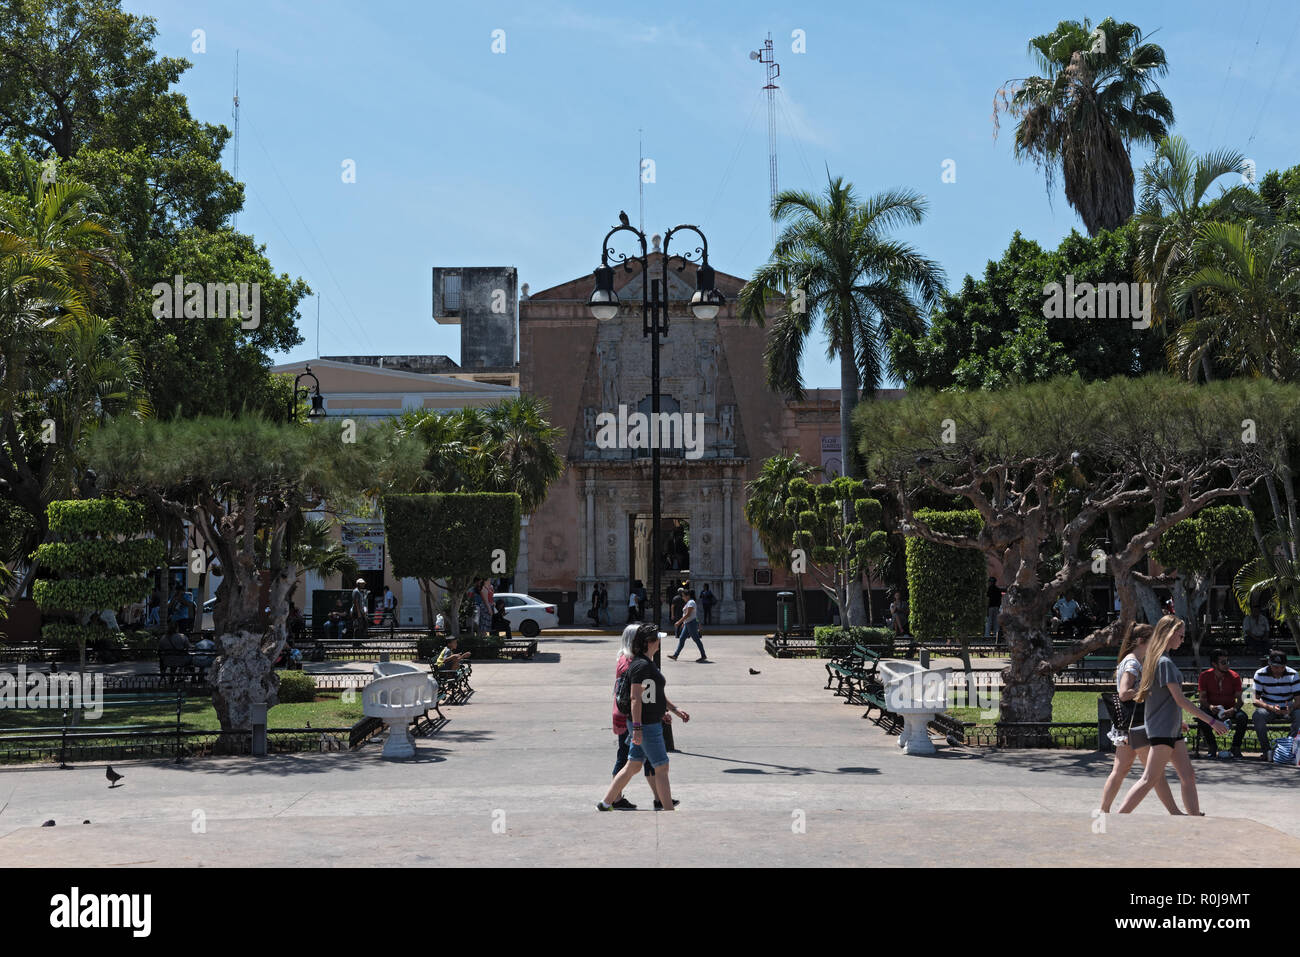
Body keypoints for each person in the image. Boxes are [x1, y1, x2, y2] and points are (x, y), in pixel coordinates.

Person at [1116, 616, 1228, 815]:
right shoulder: (1164, 662)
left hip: (1171, 729)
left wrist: (1180, 721)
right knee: (1149, 779)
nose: (1182, 639)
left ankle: (1193, 817)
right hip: (1163, 730)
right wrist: (1212, 721)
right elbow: (1180, 700)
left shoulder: (1158, 659)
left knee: (1188, 775)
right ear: (1169, 633)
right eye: (1180, 634)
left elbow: (1164, 699)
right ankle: (1119, 817)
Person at [599, 624, 689, 812]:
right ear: (650, 642)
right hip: (646, 725)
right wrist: (638, 729)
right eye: (658, 639)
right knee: (662, 767)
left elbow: (655, 693)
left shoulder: (646, 663)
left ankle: (606, 802)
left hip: (646, 723)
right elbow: (635, 698)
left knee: (633, 765)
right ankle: (668, 810)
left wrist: (674, 709)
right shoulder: (640, 666)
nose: (660, 642)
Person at [1099, 623, 1182, 815]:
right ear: (1141, 641)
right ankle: (1173, 811)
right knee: (1153, 774)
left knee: (1121, 771)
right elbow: (1123, 693)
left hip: (1131, 727)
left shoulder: (1134, 660)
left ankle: (1104, 812)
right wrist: (1146, 689)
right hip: (1136, 725)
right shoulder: (1133, 663)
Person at [607, 625, 658, 810]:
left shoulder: (624, 658)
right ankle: (614, 798)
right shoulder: (631, 662)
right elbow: (636, 695)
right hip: (628, 715)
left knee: (646, 757)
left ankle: (659, 796)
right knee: (625, 757)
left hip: (625, 713)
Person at [1195, 649, 1248, 759]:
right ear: (1214, 664)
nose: (1227, 665)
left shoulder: (1234, 676)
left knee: (1242, 717)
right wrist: (1210, 707)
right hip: (1212, 708)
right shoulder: (1204, 676)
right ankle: (1212, 746)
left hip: (1230, 708)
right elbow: (1202, 699)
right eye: (1223, 663)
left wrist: (1233, 710)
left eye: (1228, 661)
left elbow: (1241, 700)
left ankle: (1236, 747)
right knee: (1201, 717)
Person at [1251, 651, 1300, 759]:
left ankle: (1287, 748)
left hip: (1288, 706)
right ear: (1269, 664)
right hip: (1268, 706)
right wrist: (1270, 707)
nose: (1278, 670)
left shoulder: (1293, 674)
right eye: (1275, 667)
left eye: (1282, 667)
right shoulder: (1260, 673)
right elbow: (1254, 699)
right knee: (1258, 715)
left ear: (1285, 665)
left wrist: (1290, 708)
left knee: (1299, 714)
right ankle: (1266, 751)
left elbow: (1298, 699)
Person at [669, 589, 707, 662]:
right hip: (687, 623)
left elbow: (688, 614)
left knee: (696, 639)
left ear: (688, 596)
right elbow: (689, 615)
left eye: (683, 596)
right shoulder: (688, 603)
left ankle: (703, 655)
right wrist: (684, 623)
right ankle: (675, 655)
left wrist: (679, 622)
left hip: (691, 623)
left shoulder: (691, 602)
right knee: (682, 638)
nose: (683, 598)